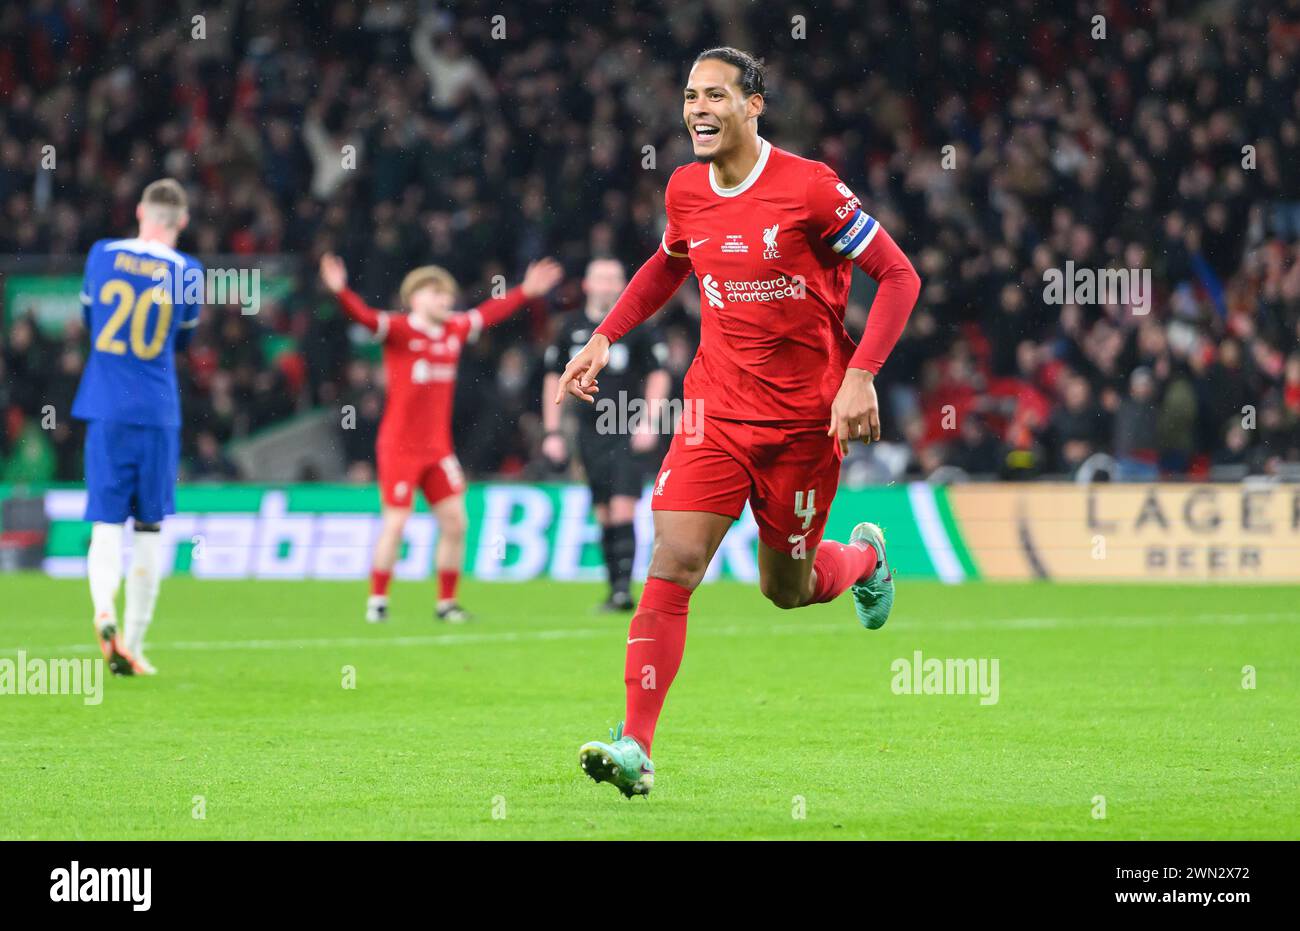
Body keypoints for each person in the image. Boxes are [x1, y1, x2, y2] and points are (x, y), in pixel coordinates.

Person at [557, 48, 921, 797]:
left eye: (716, 95)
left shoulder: (811, 189)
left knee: (785, 588)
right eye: (690, 96)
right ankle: (636, 744)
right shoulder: (686, 189)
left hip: (802, 429)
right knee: (674, 561)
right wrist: (604, 336)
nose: (698, 109)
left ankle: (861, 562)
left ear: (754, 105)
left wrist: (860, 377)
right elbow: (668, 264)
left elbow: (899, 275)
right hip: (714, 414)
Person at [319, 252, 562, 623]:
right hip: (399, 447)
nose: (445, 301)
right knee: (396, 524)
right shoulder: (399, 330)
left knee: (456, 524)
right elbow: (364, 317)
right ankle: (377, 601)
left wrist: (525, 292)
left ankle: (446, 604)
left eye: (447, 295)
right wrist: (340, 292)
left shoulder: (453, 329)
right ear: (415, 298)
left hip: (437, 449)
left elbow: (489, 313)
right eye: (436, 294)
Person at [74, 178, 205, 676]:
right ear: (183, 222)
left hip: (105, 405)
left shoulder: (102, 254)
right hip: (155, 410)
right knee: (149, 526)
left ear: (139, 211)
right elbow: (183, 343)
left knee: (106, 522)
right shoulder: (188, 272)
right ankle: (135, 642)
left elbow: (90, 321)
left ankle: (102, 610)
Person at [542, 258, 671, 612]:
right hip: (588, 433)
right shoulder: (570, 328)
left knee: (622, 506)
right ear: (586, 284)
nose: (607, 284)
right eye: (600, 277)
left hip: (625, 426)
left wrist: (649, 420)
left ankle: (622, 592)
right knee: (602, 510)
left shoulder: (639, 326)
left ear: (623, 285)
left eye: (615, 278)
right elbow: (553, 377)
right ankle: (614, 589)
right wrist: (552, 431)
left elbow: (659, 373)